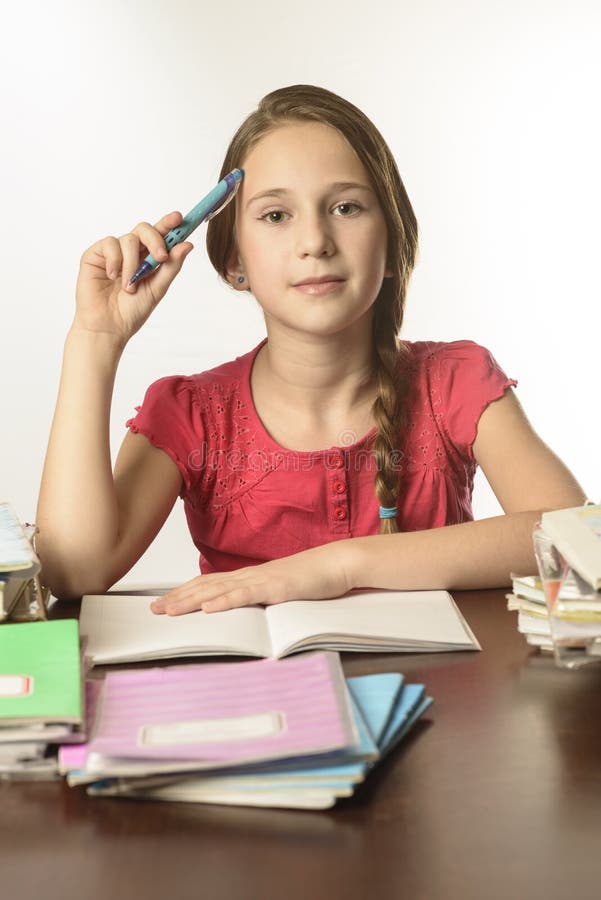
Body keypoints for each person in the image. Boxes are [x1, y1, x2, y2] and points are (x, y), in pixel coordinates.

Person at [36, 84, 586, 616]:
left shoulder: (456, 381)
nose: (315, 241)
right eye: (276, 215)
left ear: (392, 246)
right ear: (234, 262)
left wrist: (339, 566)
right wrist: (94, 339)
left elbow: (575, 538)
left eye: (346, 207)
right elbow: (73, 571)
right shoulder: (190, 414)